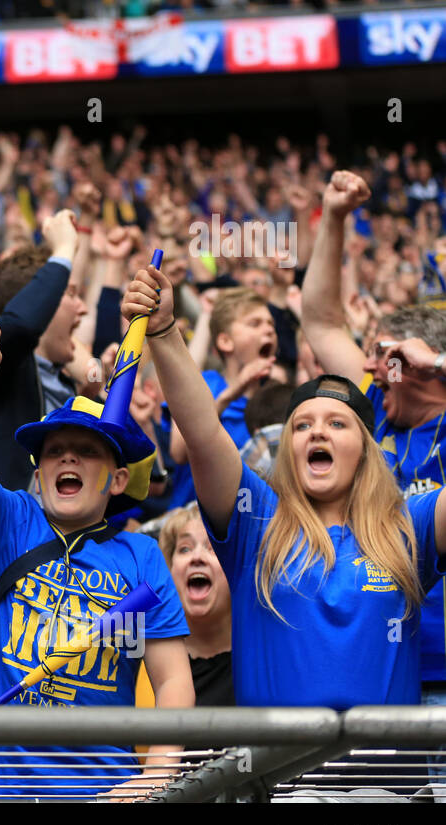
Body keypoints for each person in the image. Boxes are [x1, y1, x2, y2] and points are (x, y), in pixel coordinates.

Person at [127, 261, 446, 709]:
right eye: (302, 426)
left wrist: (438, 363)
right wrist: (163, 332)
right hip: (279, 778)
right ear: (288, 449)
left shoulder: (410, 524)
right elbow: (201, 431)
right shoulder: (256, 524)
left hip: (386, 776)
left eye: (337, 423)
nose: (317, 433)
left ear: (366, 450)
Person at [0, 324, 193, 798]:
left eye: (87, 452)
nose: (67, 459)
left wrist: (157, 778)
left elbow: (174, 677)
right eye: (54, 452)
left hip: (100, 792)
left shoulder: (142, 556)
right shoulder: (12, 518)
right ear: (39, 474)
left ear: (117, 481)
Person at [299, 169, 446, 712]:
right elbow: (318, 320)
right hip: (380, 668)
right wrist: (333, 215)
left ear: (412, 363)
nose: (364, 366)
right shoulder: (371, 414)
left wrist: (438, 364)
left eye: (380, 356)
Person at [0, 229, 86, 493]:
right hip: (4, 529)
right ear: (45, 300)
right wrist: (65, 247)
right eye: (70, 294)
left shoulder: (66, 383)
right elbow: (22, 327)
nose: (83, 307)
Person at [158, 508, 233, 706]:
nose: (197, 557)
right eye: (185, 549)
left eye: (213, 548)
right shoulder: (141, 659)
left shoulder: (261, 659)